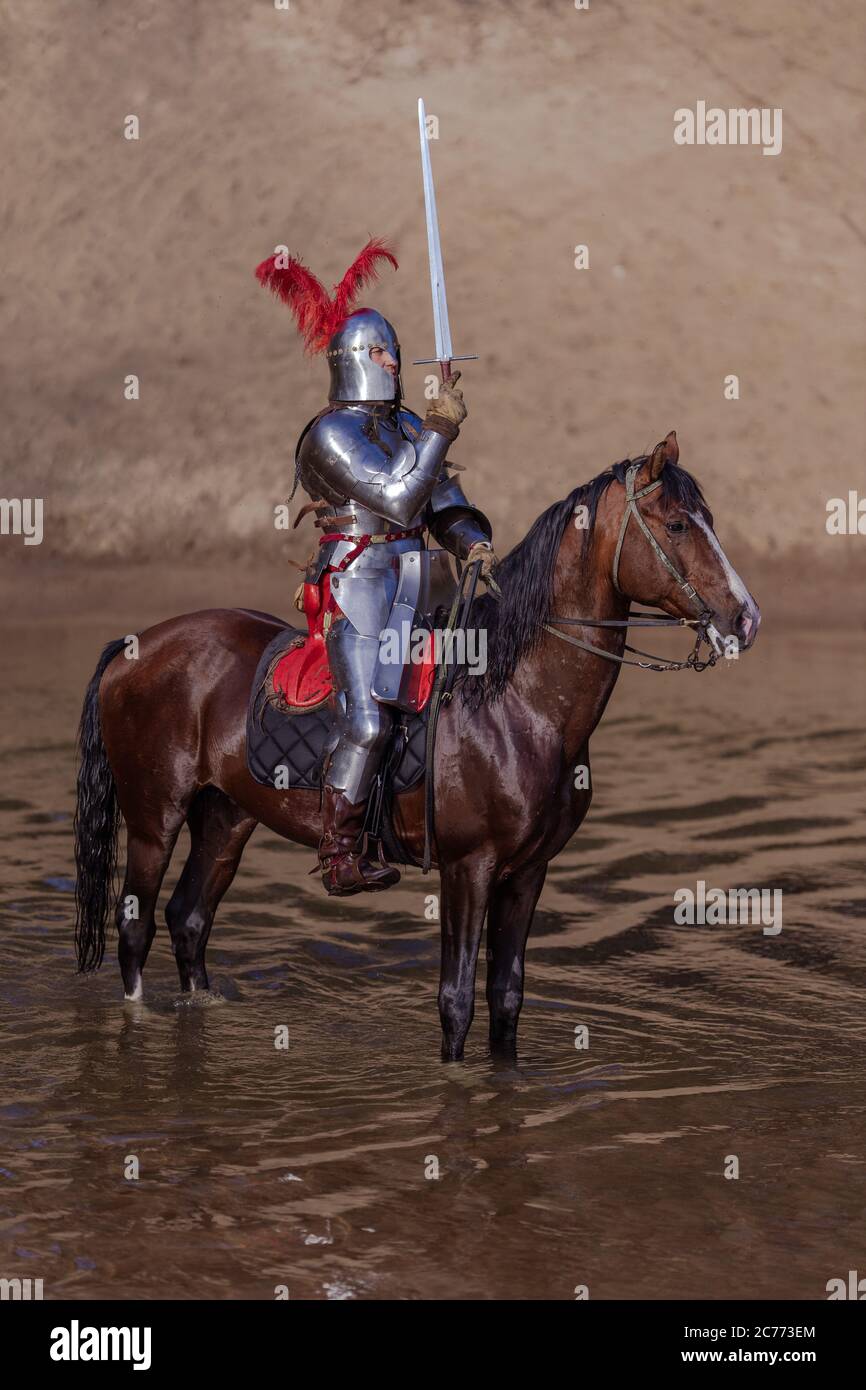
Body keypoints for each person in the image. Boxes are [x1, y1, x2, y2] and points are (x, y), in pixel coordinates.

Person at [257, 239, 495, 896]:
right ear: (358, 359)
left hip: (423, 584)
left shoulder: (408, 422)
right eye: (383, 353)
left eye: (395, 350)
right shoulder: (330, 435)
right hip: (358, 584)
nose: (395, 361)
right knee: (366, 720)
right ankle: (339, 855)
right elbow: (396, 495)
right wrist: (441, 431)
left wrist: (473, 539)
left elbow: (440, 502)